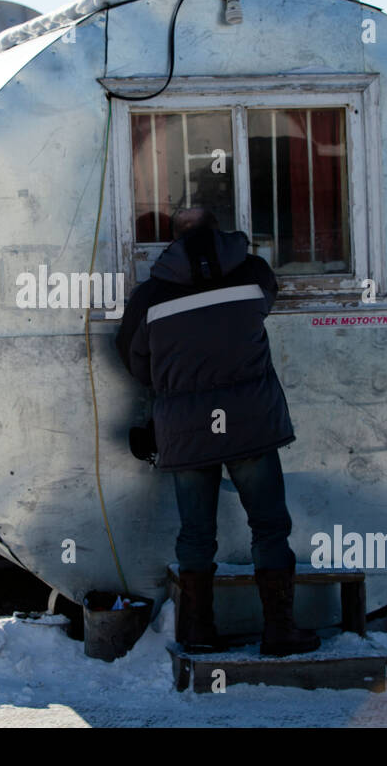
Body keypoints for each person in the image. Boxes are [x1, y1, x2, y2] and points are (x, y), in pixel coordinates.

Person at [114, 206, 320, 656]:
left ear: (170, 242)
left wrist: (175, 378)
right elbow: (267, 297)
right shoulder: (253, 273)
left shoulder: (150, 297)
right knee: (269, 527)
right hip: (251, 422)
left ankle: (198, 632)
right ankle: (281, 631)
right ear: (220, 233)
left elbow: (134, 360)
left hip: (187, 428)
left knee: (195, 533)